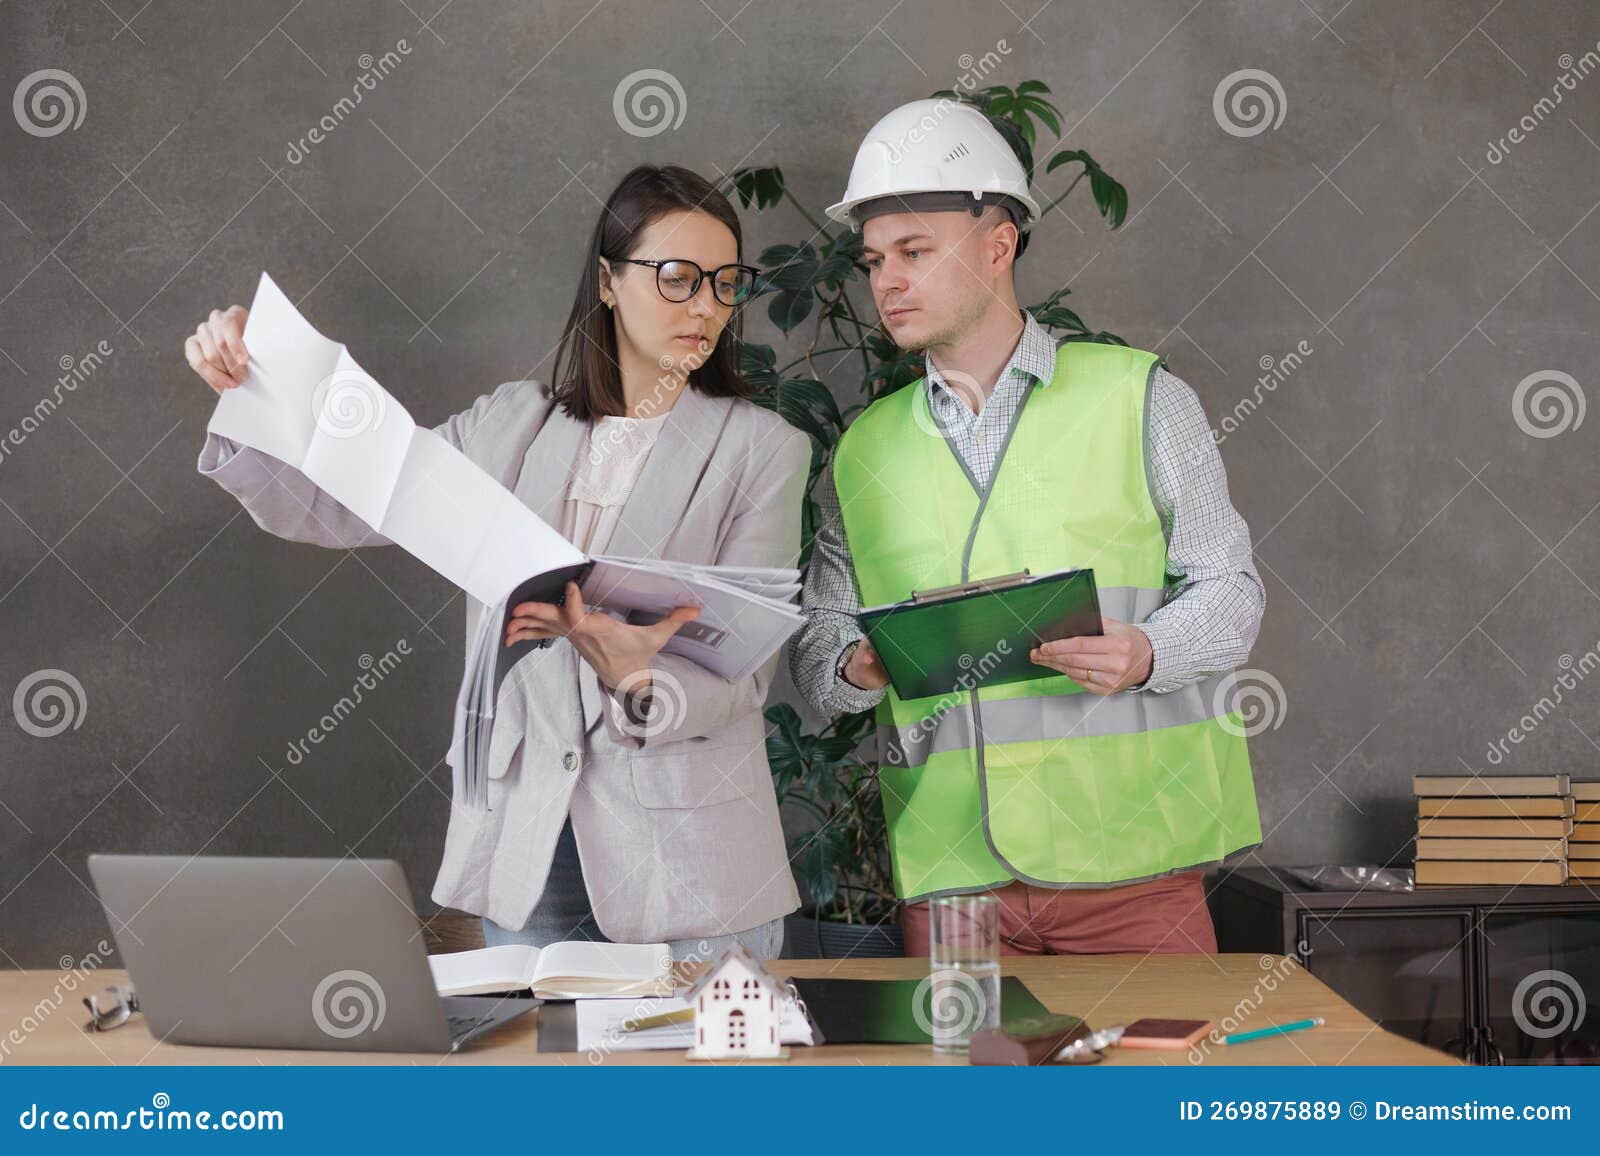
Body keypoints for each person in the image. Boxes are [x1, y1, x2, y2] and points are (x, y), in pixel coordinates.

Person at [187, 165, 808, 960]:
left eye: (726, 284)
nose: (706, 307)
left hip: (691, 863)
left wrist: (638, 679)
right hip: (527, 848)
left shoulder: (765, 449)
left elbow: (745, 678)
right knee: (536, 1047)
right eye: (679, 278)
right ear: (608, 283)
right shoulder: (511, 423)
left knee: (697, 1052)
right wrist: (254, 382)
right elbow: (334, 503)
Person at [790, 100, 1266, 956]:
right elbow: (821, 655)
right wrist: (857, 664)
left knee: (1157, 1056)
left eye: (914, 252)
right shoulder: (862, 452)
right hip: (953, 883)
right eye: (874, 261)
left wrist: (1148, 652)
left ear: (998, 246)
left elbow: (1232, 591)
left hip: (1134, 870)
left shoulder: (1142, 399)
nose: (887, 282)